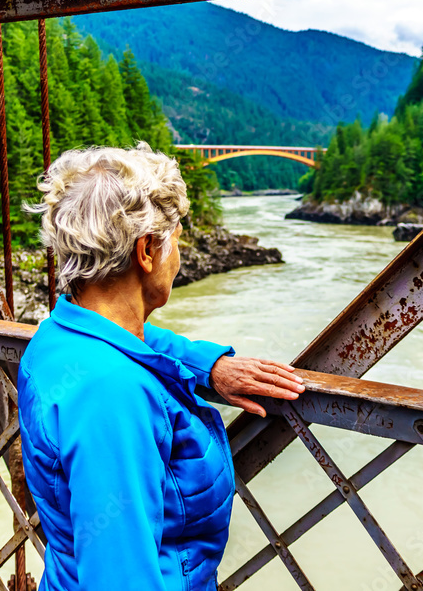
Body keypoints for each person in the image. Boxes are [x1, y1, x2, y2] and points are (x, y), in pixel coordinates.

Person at [17, 144, 304, 590]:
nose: (179, 256)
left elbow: (135, 341)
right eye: (176, 239)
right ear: (147, 250)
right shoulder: (113, 395)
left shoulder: (57, 336)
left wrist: (208, 366)